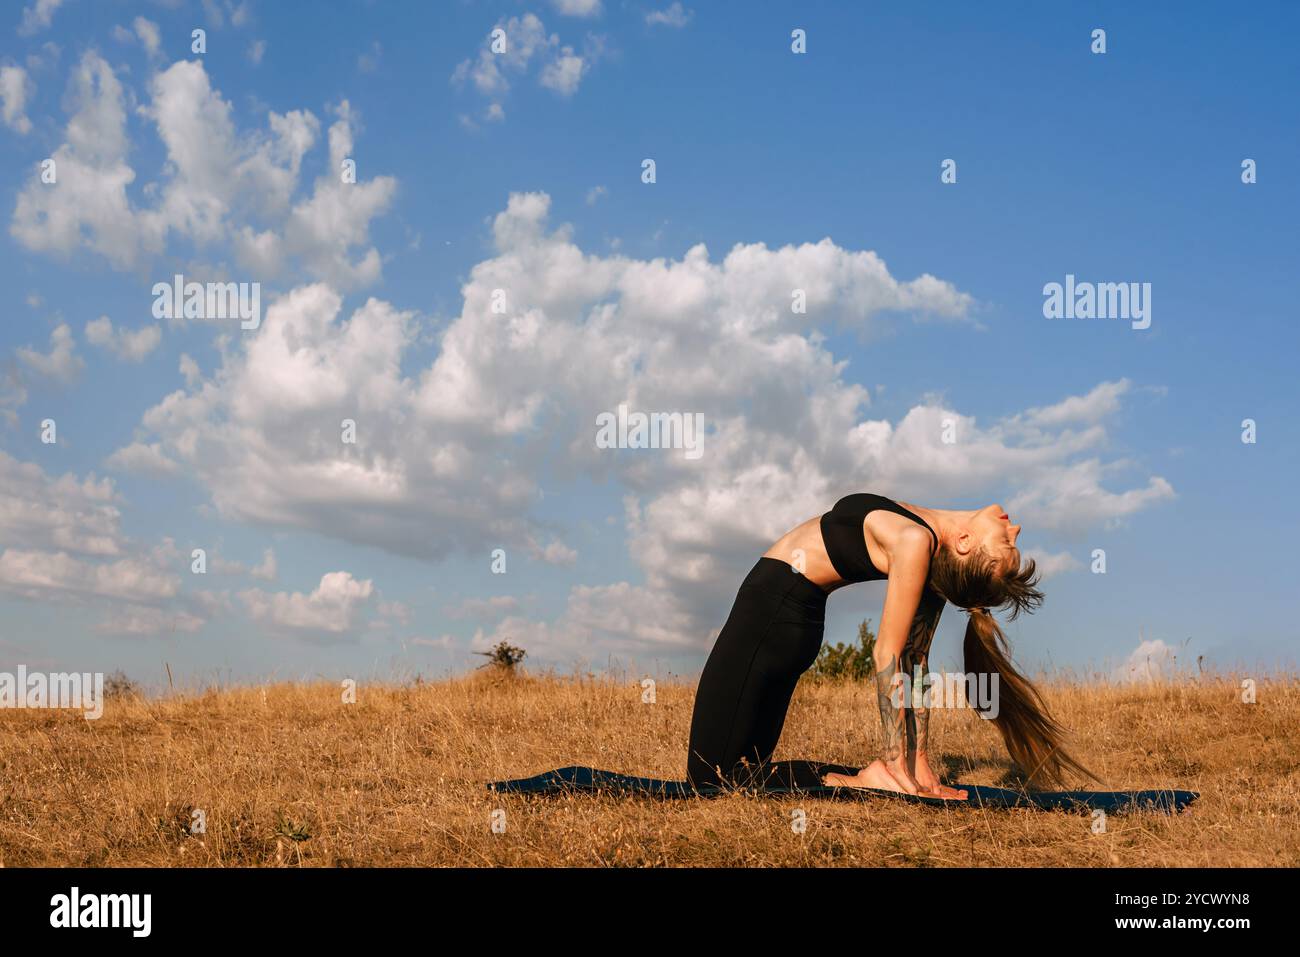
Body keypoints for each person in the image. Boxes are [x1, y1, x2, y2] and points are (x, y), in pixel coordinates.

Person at [684, 493, 1095, 797]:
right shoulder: (932, 549)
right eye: (1010, 540)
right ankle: (877, 775)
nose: (1015, 528)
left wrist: (899, 761)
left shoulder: (916, 542)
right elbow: (916, 664)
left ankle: (864, 779)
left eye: (1006, 543)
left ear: (967, 543)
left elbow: (890, 655)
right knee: (743, 772)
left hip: (767, 617)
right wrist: (920, 771)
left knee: (708, 781)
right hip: (792, 627)